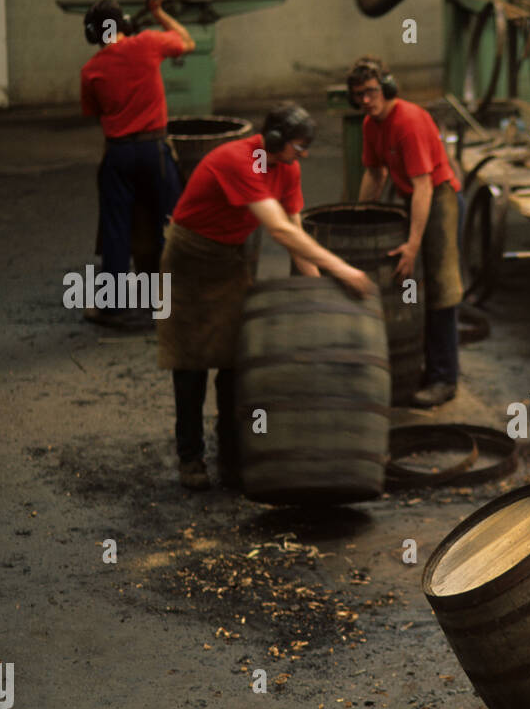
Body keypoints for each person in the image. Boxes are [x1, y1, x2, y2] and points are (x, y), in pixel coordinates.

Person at [159, 102, 374, 491]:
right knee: (191, 364)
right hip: (189, 257)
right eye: (298, 146)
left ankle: (231, 456)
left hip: (228, 259)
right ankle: (190, 457)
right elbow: (278, 230)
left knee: (234, 361)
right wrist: (342, 269)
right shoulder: (240, 161)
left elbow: (296, 233)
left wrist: (319, 293)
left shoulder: (288, 169)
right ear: (274, 139)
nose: (303, 154)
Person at [348, 55, 463, 408]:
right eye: (359, 95)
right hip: (412, 196)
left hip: (438, 197)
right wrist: (358, 217)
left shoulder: (408, 122)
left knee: (441, 286)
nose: (366, 100)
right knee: (416, 288)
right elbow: (375, 174)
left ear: (387, 87)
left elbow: (424, 186)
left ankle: (444, 378)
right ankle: (422, 364)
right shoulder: (371, 125)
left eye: (371, 91)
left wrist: (412, 246)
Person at [80, 0, 193, 327]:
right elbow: (187, 41)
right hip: (154, 149)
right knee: (170, 224)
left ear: (93, 34)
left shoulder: (90, 71)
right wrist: (158, 13)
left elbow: (95, 113)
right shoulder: (147, 44)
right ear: (125, 24)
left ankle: (113, 307)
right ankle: (174, 299)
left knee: (116, 229)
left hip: (117, 153)